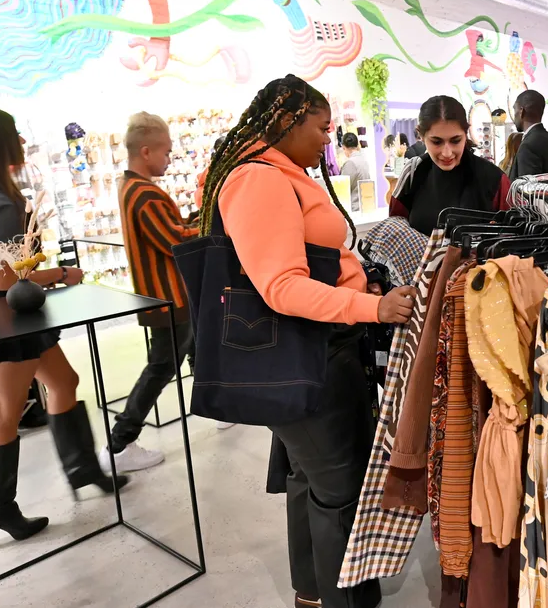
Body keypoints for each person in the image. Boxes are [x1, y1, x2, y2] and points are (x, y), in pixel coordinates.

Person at [200, 74, 414, 608]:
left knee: (311, 479)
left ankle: (312, 592)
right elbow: (281, 286)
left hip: (310, 347)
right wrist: (372, 306)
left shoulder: (277, 172)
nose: (328, 139)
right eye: (321, 127)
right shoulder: (260, 179)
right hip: (313, 350)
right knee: (342, 494)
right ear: (285, 121)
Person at [0, 107, 126, 547]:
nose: (22, 141)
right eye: (14, 134)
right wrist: (61, 275)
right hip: (4, 310)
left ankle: (82, 469)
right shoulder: (1, 201)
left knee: (64, 381)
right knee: (5, 410)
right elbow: (2, 277)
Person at [100, 112, 198, 474]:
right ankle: (120, 443)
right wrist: (210, 223)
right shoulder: (144, 194)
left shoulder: (131, 188)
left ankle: (216, 404)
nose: (169, 160)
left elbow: (170, 231)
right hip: (167, 296)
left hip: (165, 294)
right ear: (146, 151)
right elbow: (175, 241)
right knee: (162, 366)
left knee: (187, 352)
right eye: (166, 152)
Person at [390, 96, 512, 236]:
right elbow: (395, 232)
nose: (447, 153)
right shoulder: (413, 173)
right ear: (421, 136)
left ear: (465, 135)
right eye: (436, 142)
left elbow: (510, 242)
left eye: (455, 141)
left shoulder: (494, 179)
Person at [508, 90, 548, 179]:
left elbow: (527, 189)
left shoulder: (528, 145)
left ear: (521, 111)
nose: (514, 116)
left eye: (515, 110)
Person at [338, 132, 371, 212]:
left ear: (344, 147)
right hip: (365, 205)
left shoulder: (350, 163)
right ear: (357, 145)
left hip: (354, 208)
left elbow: (343, 188)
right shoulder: (363, 160)